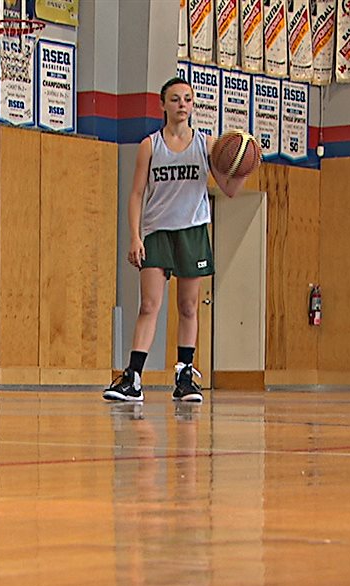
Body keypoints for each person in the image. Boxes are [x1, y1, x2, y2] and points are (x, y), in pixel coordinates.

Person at [103, 77, 245, 403]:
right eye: (176, 99)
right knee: (149, 305)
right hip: (157, 230)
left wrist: (241, 166)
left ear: (193, 105)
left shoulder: (207, 145)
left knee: (188, 306)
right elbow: (136, 194)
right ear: (163, 104)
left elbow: (230, 190)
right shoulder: (150, 145)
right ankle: (134, 377)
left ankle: (184, 377)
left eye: (188, 99)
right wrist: (135, 236)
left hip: (192, 229)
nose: (182, 104)